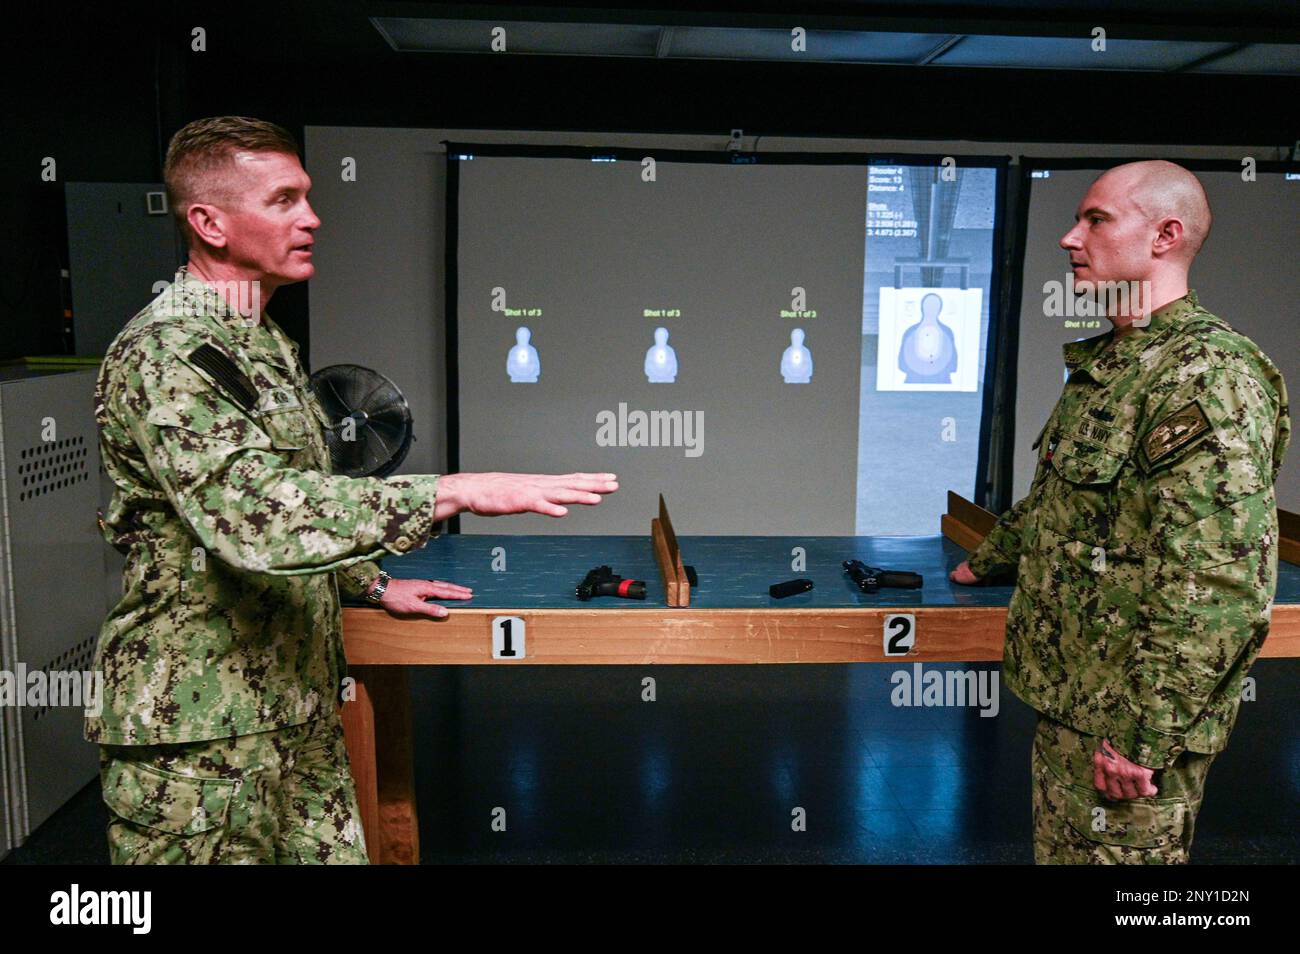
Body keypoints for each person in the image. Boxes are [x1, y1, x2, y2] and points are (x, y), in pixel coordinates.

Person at [88, 116, 618, 864]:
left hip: (294, 698)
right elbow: (255, 518)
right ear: (208, 222)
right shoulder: (168, 352)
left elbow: (298, 494)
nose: (312, 217)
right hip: (200, 729)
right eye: (282, 201)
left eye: (306, 196)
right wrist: (453, 490)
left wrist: (366, 585)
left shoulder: (260, 341)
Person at [951, 160, 1290, 863]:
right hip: (1078, 706)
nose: (1070, 239)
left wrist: (1143, 738)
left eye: (1096, 220)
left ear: (1165, 235)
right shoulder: (1119, 361)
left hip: (1128, 729)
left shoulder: (1206, 375)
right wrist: (987, 557)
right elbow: (1067, 501)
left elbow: (1221, 586)